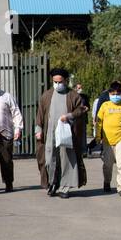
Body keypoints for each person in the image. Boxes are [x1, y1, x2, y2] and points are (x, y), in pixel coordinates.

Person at [35, 68, 87, 197]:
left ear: (65, 81)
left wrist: (69, 115)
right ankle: (53, 183)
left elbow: (81, 109)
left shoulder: (73, 95)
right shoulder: (47, 95)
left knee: (66, 159)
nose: (58, 84)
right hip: (50, 133)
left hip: (66, 133)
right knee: (49, 159)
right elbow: (40, 114)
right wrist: (38, 129)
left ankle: (64, 188)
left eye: (60, 82)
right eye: (55, 82)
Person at [95, 81, 121, 196]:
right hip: (107, 140)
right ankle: (107, 181)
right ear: (109, 94)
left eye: (117, 94)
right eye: (113, 94)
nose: (115, 96)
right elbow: (99, 122)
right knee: (108, 164)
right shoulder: (105, 106)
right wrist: (98, 136)